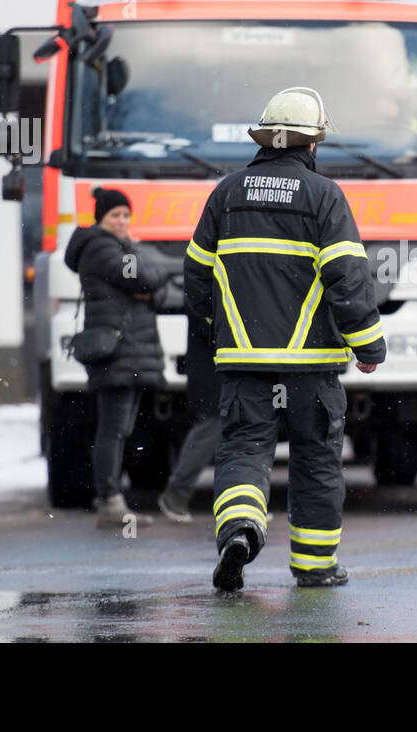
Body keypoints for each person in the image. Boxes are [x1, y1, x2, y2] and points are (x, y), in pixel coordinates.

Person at [184, 86, 385, 591]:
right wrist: (369, 346)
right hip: (311, 368)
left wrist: (217, 332)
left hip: (244, 364)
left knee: (245, 449)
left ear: (265, 140)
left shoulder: (226, 193)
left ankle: (240, 529)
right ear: (312, 143)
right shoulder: (324, 196)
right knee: (316, 458)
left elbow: (195, 275)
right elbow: (347, 278)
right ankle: (315, 566)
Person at [65, 187, 180, 529]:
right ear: (100, 217)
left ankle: (111, 499)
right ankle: (109, 500)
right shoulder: (101, 247)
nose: (121, 221)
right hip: (117, 352)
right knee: (113, 429)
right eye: (115, 215)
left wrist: (148, 280)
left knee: (119, 428)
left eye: (126, 216)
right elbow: (143, 276)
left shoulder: (115, 248)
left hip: (127, 351)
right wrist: (150, 276)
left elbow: (148, 285)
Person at [156, 311, 220, 523]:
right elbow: (204, 316)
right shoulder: (204, 282)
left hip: (216, 364)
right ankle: (176, 493)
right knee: (212, 428)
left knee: (225, 431)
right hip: (214, 367)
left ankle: (243, 504)